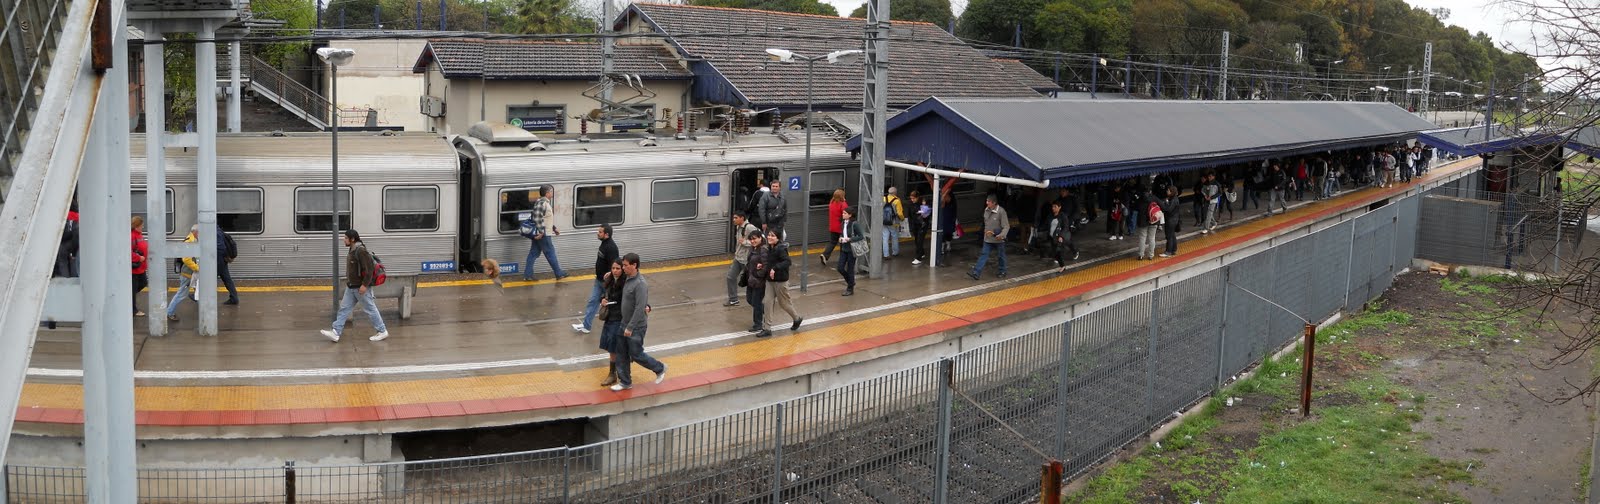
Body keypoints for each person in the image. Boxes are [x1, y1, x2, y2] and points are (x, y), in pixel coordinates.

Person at [320, 229, 388, 343]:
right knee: (344, 309)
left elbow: (369, 270)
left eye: (346, 238)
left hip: (360, 287)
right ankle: (336, 332)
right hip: (351, 286)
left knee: (370, 309)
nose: (344, 240)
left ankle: (382, 331)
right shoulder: (352, 249)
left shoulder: (360, 250)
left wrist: (364, 285)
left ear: (352, 239)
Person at [612, 252, 667, 391]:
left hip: (635, 327)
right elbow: (615, 274)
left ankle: (660, 368)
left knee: (636, 354)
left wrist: (630, 327)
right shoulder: (627, 278)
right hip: (624, 323)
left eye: (625, 265)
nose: (623, 268)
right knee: (621, 354)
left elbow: (639, 307)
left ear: (634, 265)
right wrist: (608, 274)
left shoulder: (640, 284)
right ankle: (625, 382)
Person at [572, 224, 619, 334]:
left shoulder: (611, 248)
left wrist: (610, 279)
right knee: (592, 302)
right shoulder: (604, 244)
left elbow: (615, 265)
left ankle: (615, 327)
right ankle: (586, 326)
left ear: (606, 234)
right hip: (599, 281)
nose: (598, 233)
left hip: (606, 283)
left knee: (611, 305)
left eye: (600, 232)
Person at [521, 185, 567, 282]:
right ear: (547, 193)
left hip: (543, 233)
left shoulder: (544, 203)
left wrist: (554, 228)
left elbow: (545, 219)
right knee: (550, 253)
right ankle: (559, 273)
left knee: (533, 253)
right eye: (551, 191)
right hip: (543, 234)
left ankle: (528, 275)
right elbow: (537, 219)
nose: (552, 193)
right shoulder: (542, 203)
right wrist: (541, 232)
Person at [596, 260, 627, 387]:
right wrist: (602, 300)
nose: (615, 270)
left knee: (617, 347)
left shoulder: (626, 282)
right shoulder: (609, 280)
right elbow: (604, 294)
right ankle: (613, 373)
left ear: (623, 269)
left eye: (618, 268)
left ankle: (620, 374)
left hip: (619, 318)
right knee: (611, 347)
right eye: (613, 268)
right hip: (610, 317)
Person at [764, 229, 802, 333]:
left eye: (773, 236)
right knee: (767, 302)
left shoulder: (781, 249)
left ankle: (796, 318)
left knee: (784, 303)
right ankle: (767, 329)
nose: (770, 237)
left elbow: (787, 261)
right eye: (769, 235)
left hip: (780, 281)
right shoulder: (769, 248)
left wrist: (775, 268)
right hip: (770, 281)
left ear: (778, 238)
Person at [966, 194, 1009, 280]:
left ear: (994, 203)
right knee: (984, 254)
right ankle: (976, 272)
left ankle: (1002, 271)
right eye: (987, 201)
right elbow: (986, 224)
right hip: (988, 239)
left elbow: (1006, 226)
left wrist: (1001, 235)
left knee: (1001, 256)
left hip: (998, 239)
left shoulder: (1001, 212)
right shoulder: (986, 210)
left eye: (988, 201)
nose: (986, 203)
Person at [165, 225, 201, 322]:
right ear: (196, 232)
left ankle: (204, 310)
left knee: (200, 291)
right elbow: (186, 259)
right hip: (188, 274)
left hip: (192, 274)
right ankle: (169, 312)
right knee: (181, 294)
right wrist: (197, 268)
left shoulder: (193, 240)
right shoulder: (190, 241)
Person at [725, 212, 760, 307]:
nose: (733, 220)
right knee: (730, 277)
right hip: (738, 258)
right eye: (733, 218)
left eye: (736, 218)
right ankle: (733, 299)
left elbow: (760, 239)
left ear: (742, 218)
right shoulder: (738, 227)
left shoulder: (749, 227)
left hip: (747, 259)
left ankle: (758, 299)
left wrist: (746, 242)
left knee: (751, 280)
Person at [744, 231, 770, 337]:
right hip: (751, 279)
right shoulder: (752, 248)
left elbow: (766, 266)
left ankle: (758, 324)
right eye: (751, 239)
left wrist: (759, 275)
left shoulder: (763, 250)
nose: (752, 241)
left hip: (759, 281)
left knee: (756, 302)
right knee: (750, 299)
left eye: (755, 238)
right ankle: (767, 313)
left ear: (760, 238)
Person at [837, 207, 863, 296]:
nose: (843, 214)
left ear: (850, 215)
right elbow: (842, 234)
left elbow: (861, 236)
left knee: (850, 269)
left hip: (852, 249)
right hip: (844, 248)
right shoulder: (843, 223)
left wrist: (850, 239)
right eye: (843, 213)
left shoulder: (854, 224)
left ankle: (850, 289)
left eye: (845, 213)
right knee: (840, 267)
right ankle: (851, 282)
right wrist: (840, 238)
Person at [1047, 200, 1078, 272]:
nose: (1053, 208)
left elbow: (1065, 227)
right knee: (1055, 251)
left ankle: (1063, 266)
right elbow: (1047, 225)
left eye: (1055, 207)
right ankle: (1062, 262)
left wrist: (1061, 236)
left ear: (1059, 207)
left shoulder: (1062, 216)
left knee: (1058, 250)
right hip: (1052, 237)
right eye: (1052, 206)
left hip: (1058, 236)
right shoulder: (1050, 216)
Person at [821, 189, 847, 266]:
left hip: (832, 226)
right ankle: (842, 260)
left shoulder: (831, 203)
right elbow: (846, 214)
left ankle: (825, 255)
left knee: (832, 242)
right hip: (841, 227)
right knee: (843, 244)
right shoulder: (843, 204)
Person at [131, 216, 149, 317]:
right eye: (141, 225)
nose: (143, 227)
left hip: (141, 267)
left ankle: (128, 298)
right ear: (136, 226)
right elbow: (128, 251)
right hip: (134, 268)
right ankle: (133, 310)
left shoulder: (139, 235)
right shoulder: (132, 236)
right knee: (132, 290)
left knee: (143, 283)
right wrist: (138, 258)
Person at [216, 227, 239, 305]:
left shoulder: (216, 232)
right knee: (227, 279)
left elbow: (220, 247)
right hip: (222, 260)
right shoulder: (219, 230)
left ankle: (199, 296)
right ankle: (234, 298)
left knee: (209, 279)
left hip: (218, 260)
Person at [1137, 190, 1161, 260]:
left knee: (1142, 238)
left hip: (1142, 222)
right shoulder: (1154, 198)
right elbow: (1162, 206)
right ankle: (1151, 255)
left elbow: (1135, 207)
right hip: (1153, 220)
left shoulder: (1140, 199)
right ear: (1150, 191)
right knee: (1152, 238)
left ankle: (1141, 255)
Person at [881, 186, 904, 259]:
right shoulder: (897, 200)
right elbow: (899, 213)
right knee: (894, 236)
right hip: (893, 222)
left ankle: (886, 254)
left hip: (884, 221)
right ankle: (895, 252)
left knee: (885, 238)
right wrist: (902, 219)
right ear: (895, 193)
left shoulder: (883, 198)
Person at [908, 191, 930, 265]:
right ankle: (922, 253)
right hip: (915, 225)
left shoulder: (923, 204)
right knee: (917, 240)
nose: (912, 200)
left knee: (919, 241)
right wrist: (911, 226)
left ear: (917, 197)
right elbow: (910, 216)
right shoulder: (910, 204)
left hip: (922, 225)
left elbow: (927, 214)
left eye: (914, 198)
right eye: (911, 198)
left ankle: (918, 258)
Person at [1160, 187, 1180, 258]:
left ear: (1172, 192)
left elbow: (1168, 209)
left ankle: (1168, 251)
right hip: (1174, 219)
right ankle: (1174, 249)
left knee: (1169, 236)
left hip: (1171, 220)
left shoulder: (1173, 200)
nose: (1167, 191)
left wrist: (1165, 203)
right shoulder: (1174, 199)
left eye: (1168, 190)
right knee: (1172, 235)